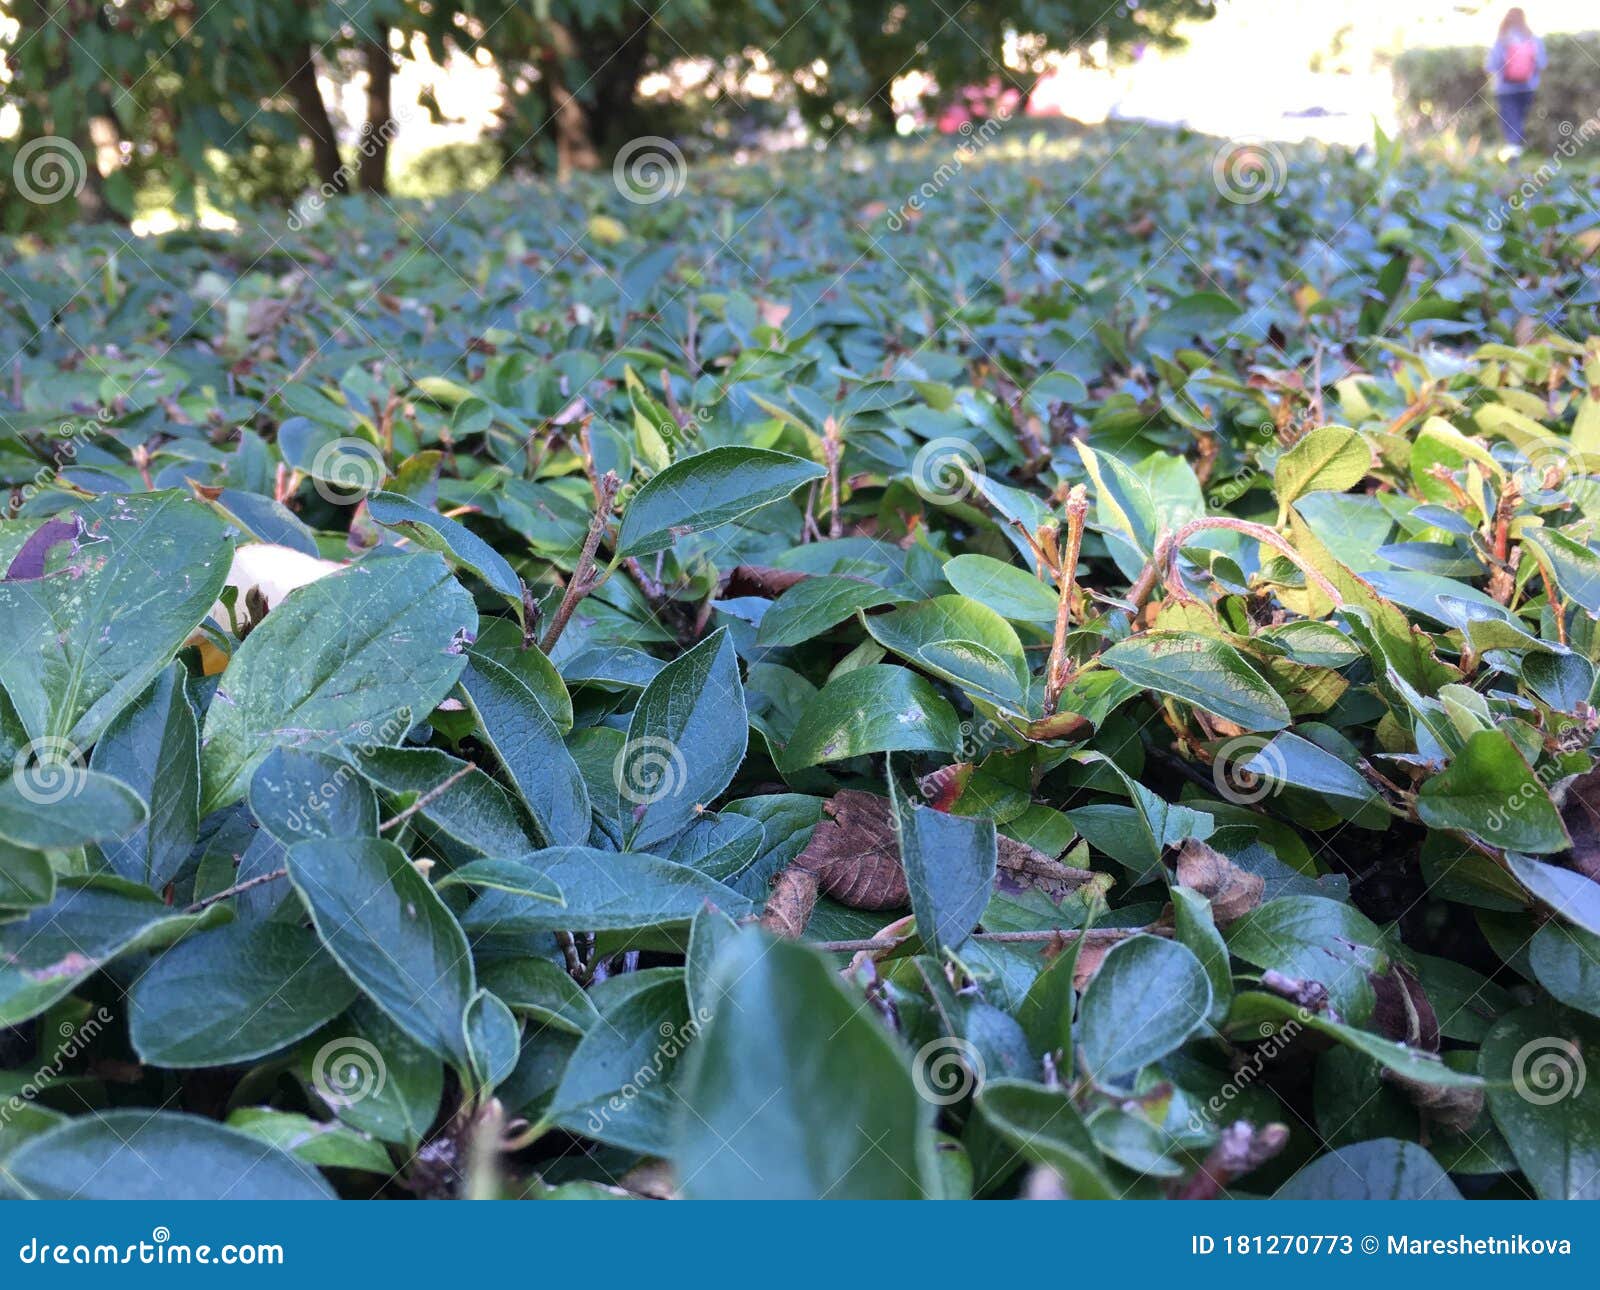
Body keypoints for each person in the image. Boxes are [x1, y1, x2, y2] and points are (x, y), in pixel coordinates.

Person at [1485, 8, 1547, 158]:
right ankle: (1516, 150)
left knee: (1511, 121)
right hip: (1527, 87)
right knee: (1519, 119)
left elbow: (1491, 65)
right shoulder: (1532, 38)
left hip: (1505, 89)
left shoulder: (1502, 39)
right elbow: (1542, 63)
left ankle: (1513, 152)